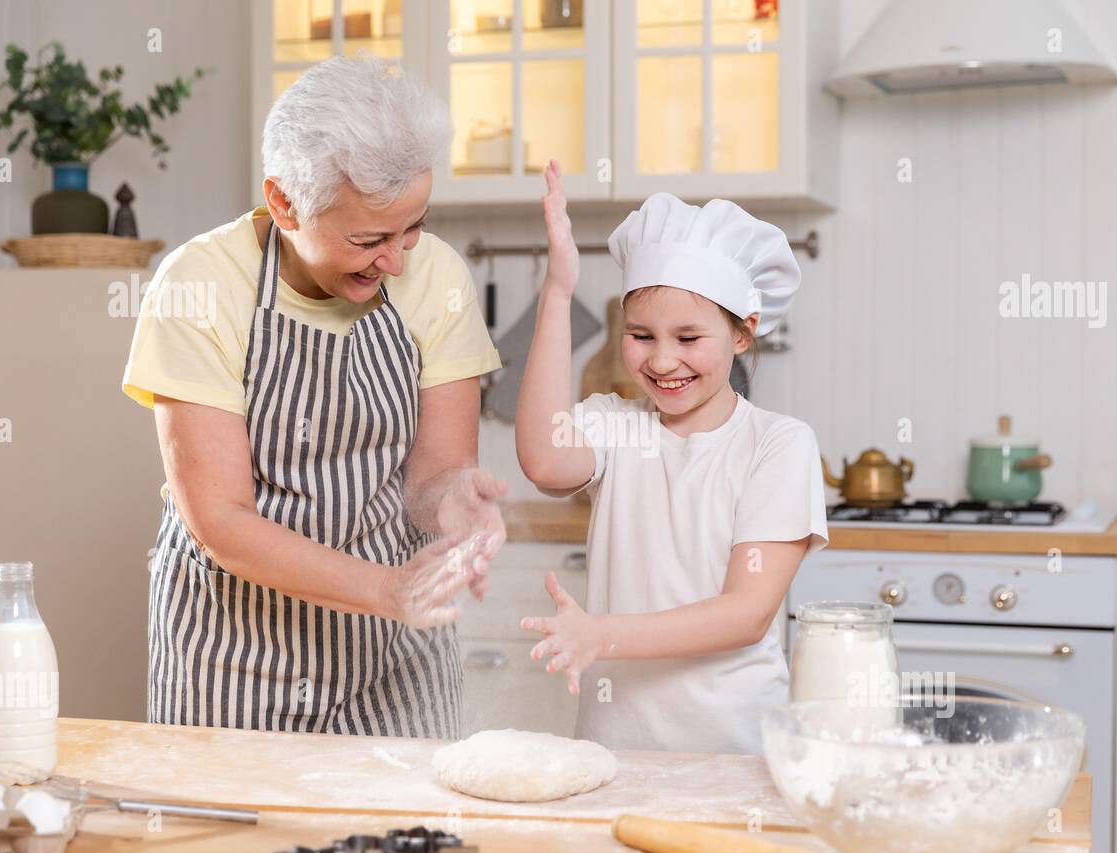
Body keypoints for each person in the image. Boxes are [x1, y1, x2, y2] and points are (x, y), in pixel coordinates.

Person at [121, 56, 505, 737]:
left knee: (407, 839)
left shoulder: (436, 276)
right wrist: (389, 590)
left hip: (393, 659)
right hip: (234, 659)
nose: (397, 260)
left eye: (412, 227)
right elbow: (221, 521)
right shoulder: (200, 287)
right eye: (369, 238)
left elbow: (431, 476)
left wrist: (457, 504)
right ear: (283, 202)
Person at [513, 161, 828, 755]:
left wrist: (600, 636)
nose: (661, 361)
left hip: (734, 756)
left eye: (688, 339)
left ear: (743, 333)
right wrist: (557, 291)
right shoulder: (615, 427)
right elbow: (545, 461)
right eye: (640, 335)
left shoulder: (777, 446)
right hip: (612, 751)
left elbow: (744, 614)